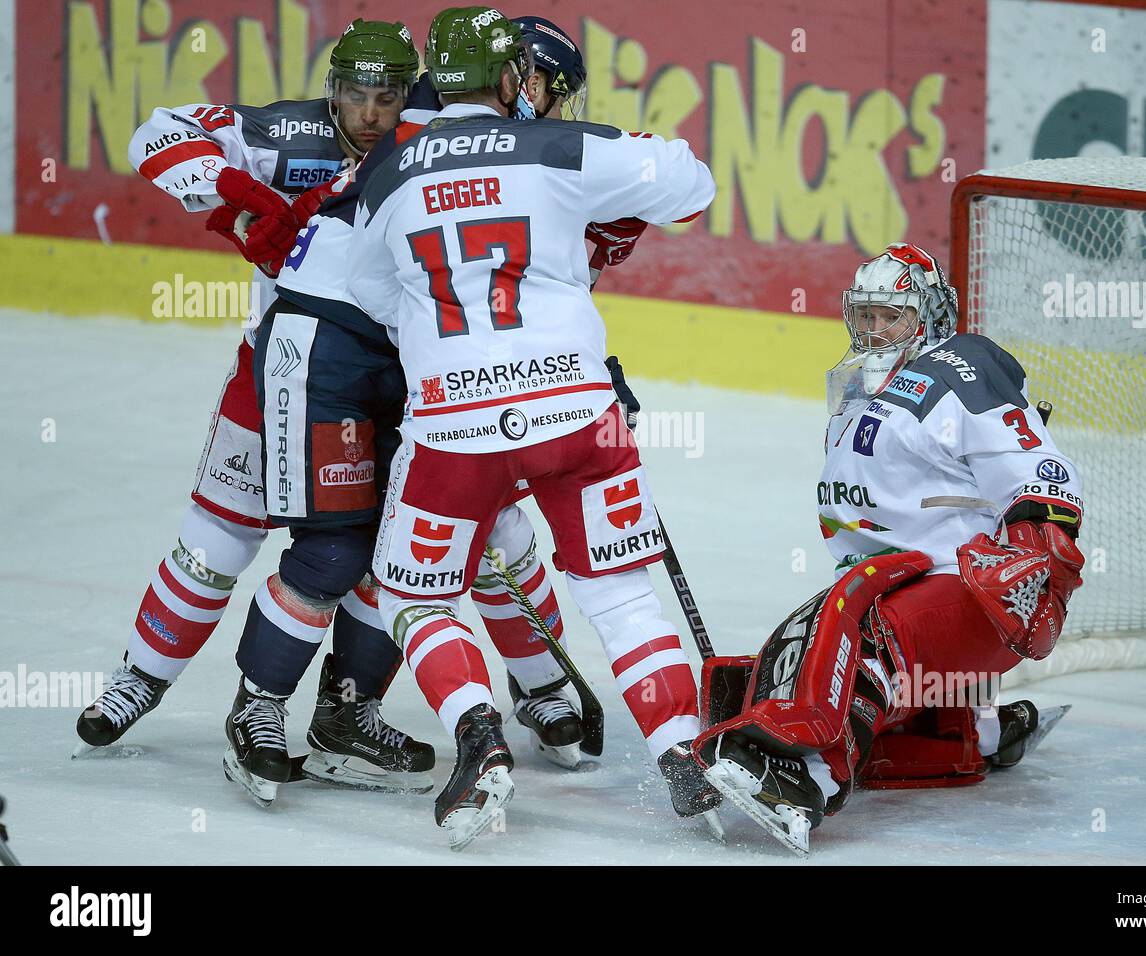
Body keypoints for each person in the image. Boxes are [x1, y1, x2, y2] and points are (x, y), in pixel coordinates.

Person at [348, 6, 719, 849]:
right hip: (577, 412)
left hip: (454, 423)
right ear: (515, 79)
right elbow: (690, 184)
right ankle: (682, 751)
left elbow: (374, 295)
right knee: (620, 591)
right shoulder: (560, 148)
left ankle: (479, 737)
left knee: (414, 592)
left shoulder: (387, 171)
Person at [77, 21, 435, 786]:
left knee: (387, 558)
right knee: (219, 538)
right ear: (330, 87)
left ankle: (348, 712)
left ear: (409, 93)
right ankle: (142, 676)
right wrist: (235, 195)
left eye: (386, 97)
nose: (368, 114)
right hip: (281, 366)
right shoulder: (285, 133)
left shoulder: (431, 136)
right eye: (352, 94)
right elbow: (157, 132)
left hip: (401, 388)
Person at [692, 243, 1087, 855]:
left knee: (862, 635)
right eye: (865, 316)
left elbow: (1038, 471)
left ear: (928, 318)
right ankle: (965, 730)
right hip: (899, 584)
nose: (874, 331)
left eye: (891, 317)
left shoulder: (961, 366)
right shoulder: (857, 392)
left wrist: (1040, 553)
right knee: (796, 648)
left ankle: (811, 779)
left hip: (969, 592)